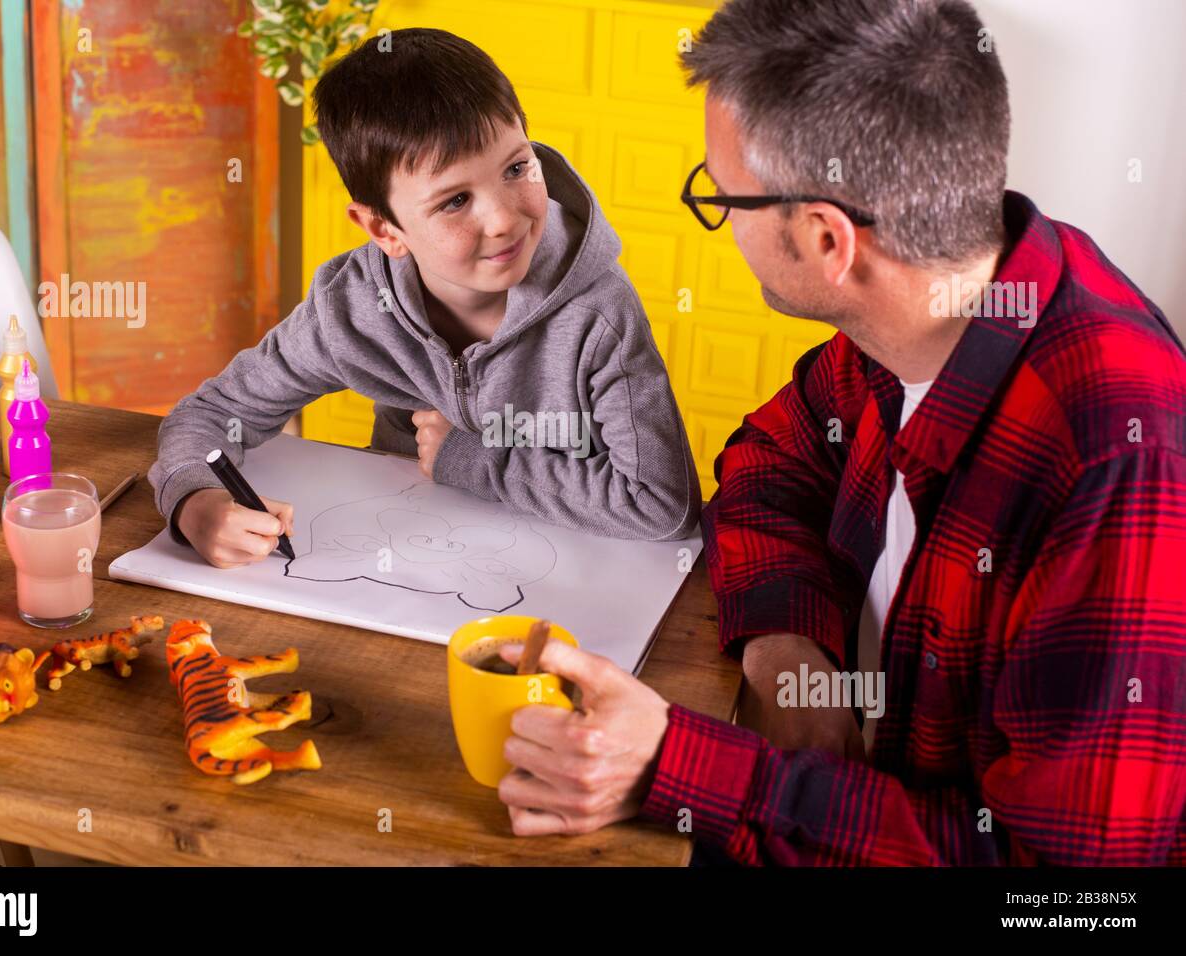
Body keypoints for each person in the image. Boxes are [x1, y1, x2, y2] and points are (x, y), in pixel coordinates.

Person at [494, 0, 1186, 865]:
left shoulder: (1115, 461)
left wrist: (682, 764)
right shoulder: (928, 304)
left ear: (827, 239)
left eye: (721, 195)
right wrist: (793, 656)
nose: (723, 221)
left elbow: (1072, 898)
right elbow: (765, 465)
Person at [149, 28, 699, 568]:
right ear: (384, 229)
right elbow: (215, 412)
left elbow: (661, 506)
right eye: (456, 200)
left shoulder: (599, 318)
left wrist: (473, 459)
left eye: (517, 168)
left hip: (566, 576)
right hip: (401, 561)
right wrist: (195, 504)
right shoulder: (355, 307)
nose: (505, 219)